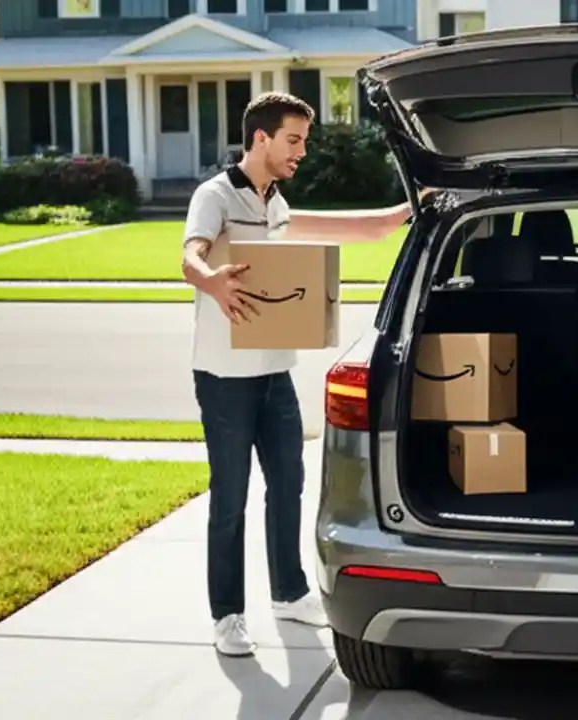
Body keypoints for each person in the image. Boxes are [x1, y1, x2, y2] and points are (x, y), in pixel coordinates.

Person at [180, 91, 413, 657]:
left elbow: (366, 228)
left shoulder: (275, 205)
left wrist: (413, 206)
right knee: (229, 496)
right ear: (261, 138)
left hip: (274, 370)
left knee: (289, 485)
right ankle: (228, 614)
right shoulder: (214, 195)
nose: (302, 151)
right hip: (223, 375)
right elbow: (191, 256)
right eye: (294, 140)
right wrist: (213, 281)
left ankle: (288, 592)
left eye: (303, 141)